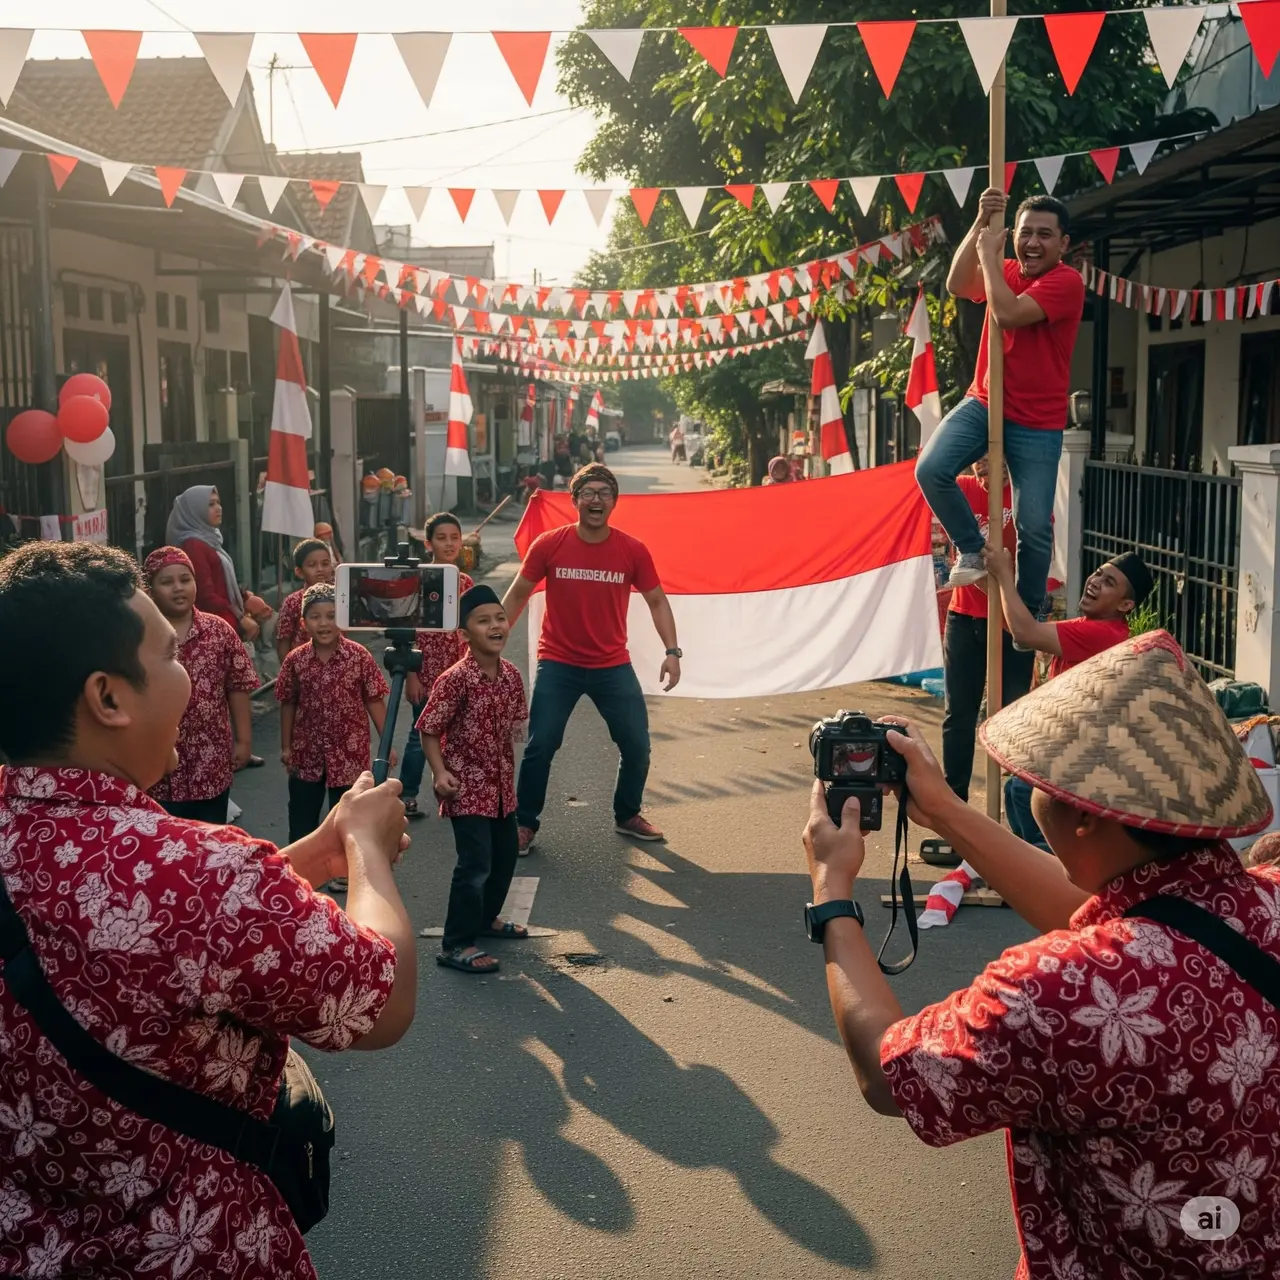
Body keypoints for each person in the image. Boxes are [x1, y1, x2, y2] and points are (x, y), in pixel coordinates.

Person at [801, 630, 1279, 1279]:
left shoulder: (1061, 988)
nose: (1029, 791)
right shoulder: (1254, 902)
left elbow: (894, 1077)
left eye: (1037, 783)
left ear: (1084, 819)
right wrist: (943, 809)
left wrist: (832, 897)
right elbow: (1139, 925)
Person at [0, 541, 415, 1280]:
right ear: (108, 698)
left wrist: (311, 856)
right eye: (168, 655)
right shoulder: (203, 873)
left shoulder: (184, 880)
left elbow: (142, 939)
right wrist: (365, 852)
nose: (186, 673)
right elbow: (379, 1000)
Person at [916, 191, 1085, 610]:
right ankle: (971, 550)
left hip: (1038, 423)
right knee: (931, 468)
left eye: (1045, 235)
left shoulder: (1066, 281)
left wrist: (990, 260)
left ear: (1063, 244)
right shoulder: (1005, 268)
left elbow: (1007, 313)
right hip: (985, 401)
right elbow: (957, 283)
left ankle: (1028, 612)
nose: (1032, 242)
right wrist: (980, 224)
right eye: (1025, 232)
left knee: (1034, 526)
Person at [502, 463, 681, 853]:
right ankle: (524, 823)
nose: (596, 500)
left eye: (604, 493)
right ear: (575, 500)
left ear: (614, 502)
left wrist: (672, 651)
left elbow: (656, 600)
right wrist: (491, 638)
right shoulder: (550, 544)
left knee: (636, 745)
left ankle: (627, 814)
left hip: (611, 665)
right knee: (541, 744)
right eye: (588, 493)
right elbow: (518, 593)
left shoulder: (632, 550)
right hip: (558, 663)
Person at [985, 545, 1152, 849]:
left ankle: (1048, 879)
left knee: (1024, 793)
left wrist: (1004, 576)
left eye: (1109, 582)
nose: (1095, 581)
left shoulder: (1105, 635)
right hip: (1063, 748)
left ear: (1126, 604)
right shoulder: (1091, 626)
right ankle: (1033, 876)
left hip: (1080, 756)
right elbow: (1020, 627)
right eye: (1099, 574)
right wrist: (991, 577)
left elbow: (1024, 634)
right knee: (1015, 792)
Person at [419, 585, 529, 974]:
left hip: (501, 788)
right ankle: (456, 943)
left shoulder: (511, 675)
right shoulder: (454, 679)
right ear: (464, 635)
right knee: (475, 863)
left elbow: (516, 728)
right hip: (465, 787)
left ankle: (486, 919)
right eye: (483, 621)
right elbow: (429, 729)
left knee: (504, 858)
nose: (495, 626)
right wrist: (439, 772)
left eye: (499, 618)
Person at [941, 457, 1035, 803]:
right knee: (958, 715)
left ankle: (1018, 806)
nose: (980, 470)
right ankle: (955, 807)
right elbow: (928, 470)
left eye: (986, 462)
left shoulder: (1026, 497)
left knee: (1013, 714)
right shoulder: (962, 489)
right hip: (964, 619)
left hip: (1012, 624)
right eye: (975, 465)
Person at [143, 546, 259, 824]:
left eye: (185, 579)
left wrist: (243, 741)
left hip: (211, 762)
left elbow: (238, 687)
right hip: (157, 766)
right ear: (149, 589)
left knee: (211, 841)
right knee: (166, 846)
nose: (178, 588)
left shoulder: (219, 632)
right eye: (166, 582)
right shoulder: (140, 635)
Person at [276, 584, 393, 859]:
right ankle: (299, 868)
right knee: (303, 815)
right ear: (304, 623)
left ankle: (344, 865)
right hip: (307, 753)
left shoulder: (359, 656)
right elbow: (288, 702)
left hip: (349, 752)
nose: (324, 623)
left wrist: (387, 745)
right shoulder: (296, 660)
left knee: (347, 814)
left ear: (343, 619)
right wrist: (286, 746)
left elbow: (374, 700)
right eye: (316, 617)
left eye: (331, 615)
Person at [399, 513, 474, 818]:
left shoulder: (465, 582)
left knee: (457, 735)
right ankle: (407, 791)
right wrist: (411, 675)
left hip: (458, 672)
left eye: (454, 538)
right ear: (428, 543)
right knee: (421, 735)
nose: (449, 544)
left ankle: (450, 788)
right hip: (425, 672)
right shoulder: (416, 581)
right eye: (441, 538)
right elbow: (407, 631)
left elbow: (471, 629)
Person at [165, 484, 262, 644]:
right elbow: (205, 595)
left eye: (218, 502)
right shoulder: (193, 545)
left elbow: (219, 581)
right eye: (210, 504)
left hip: (224, 622)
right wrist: (240, 617)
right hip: (214, 630)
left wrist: (244, 597)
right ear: (194, 511)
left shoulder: (209, 538)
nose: (218, 508)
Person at [275, 537, 335, 664]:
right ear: (299, 571)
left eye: (325, 563)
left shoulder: (342, 597)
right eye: (312, 565)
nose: (320, 569)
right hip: (303, 668)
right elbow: (283, 641)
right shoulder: (292, 602)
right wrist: (288, 673)